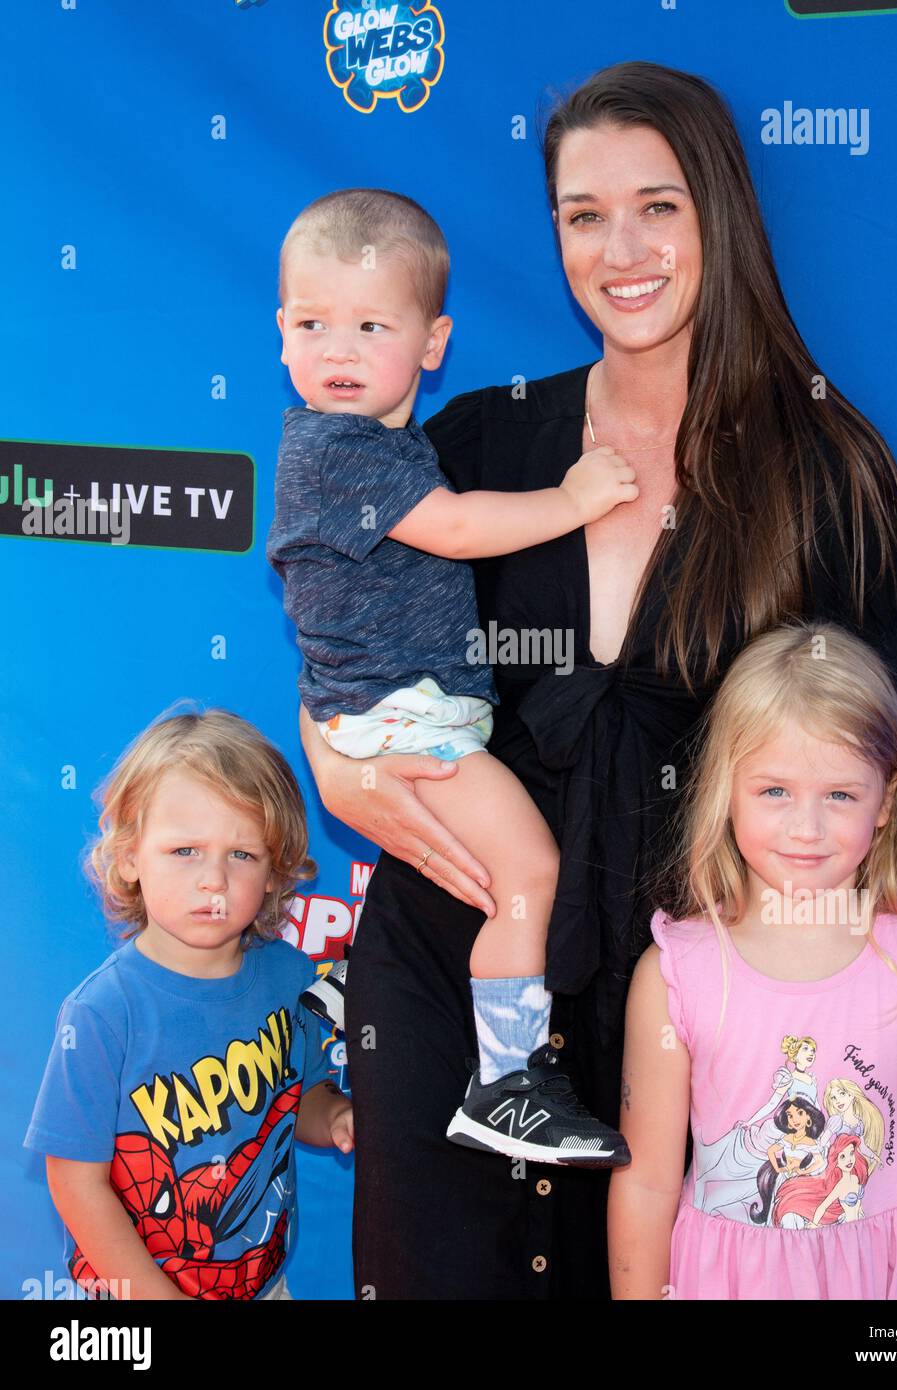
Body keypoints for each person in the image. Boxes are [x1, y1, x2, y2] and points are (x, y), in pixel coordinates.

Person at [296, 63, 897, 1299]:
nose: (618, 249)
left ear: (718, 212)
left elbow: (894, 760)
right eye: (582, 214)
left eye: (657, 206)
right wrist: (331, 760)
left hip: (687, 1023)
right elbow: (339, 656)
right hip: (459, 986)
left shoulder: (824, 470)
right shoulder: (475, 441)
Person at [267, 188, 636, 1166]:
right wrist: (573, 495)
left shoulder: (378, 444)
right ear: (280, 335)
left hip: (400, 719)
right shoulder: (340, 451)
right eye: (312, 324)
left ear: (433, 342)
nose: (337, 351)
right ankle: (505, 1079)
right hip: (400, 726)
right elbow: (462, 527)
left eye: (369, 325)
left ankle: (345, 988)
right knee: (529, 875)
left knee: (494, 875)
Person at [609, 621, 897, 1299]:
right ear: (726, 788)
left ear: (886, 799)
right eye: (774, 791)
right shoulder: (676, 975)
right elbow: (646, 1181)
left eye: (840, 794)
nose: (806, 828)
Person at [23, 709, 355, 1300]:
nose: (214, 880)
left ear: (277, 874)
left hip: (261, 1285)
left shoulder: (288, 975)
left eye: (242, 855)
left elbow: (295, 1095)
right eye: (184, 851)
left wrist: (332, 1118)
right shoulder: (103, 1013)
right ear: (129, 856)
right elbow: (75, 1184)